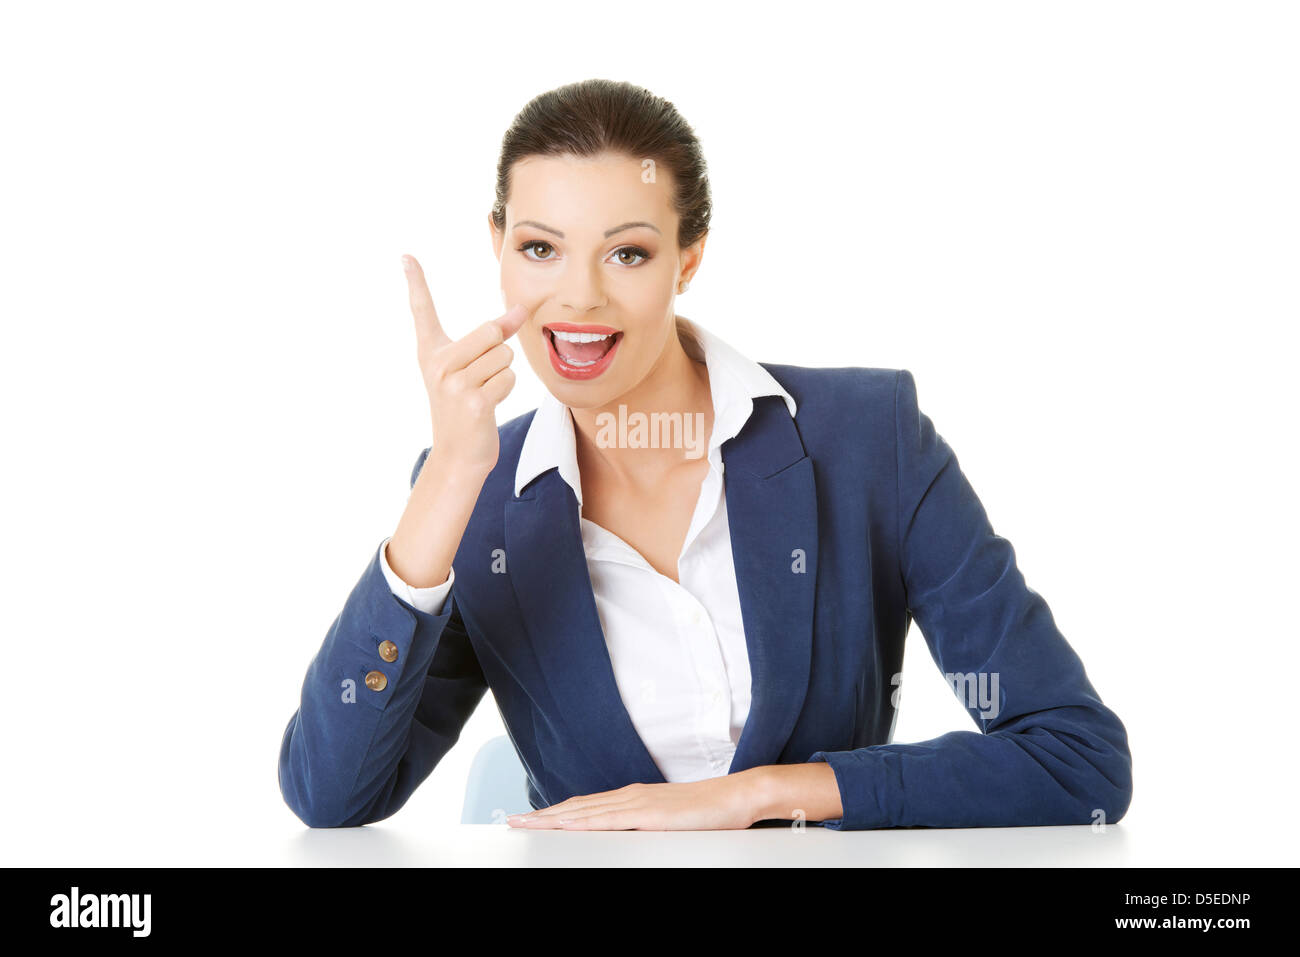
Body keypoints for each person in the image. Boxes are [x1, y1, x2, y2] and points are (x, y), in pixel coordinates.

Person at [277, 78, 1133, 831]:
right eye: (540, 248)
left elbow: (1075, 757)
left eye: (628, 252)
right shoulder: (475, 501)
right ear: (497, 246)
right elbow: (331, 795)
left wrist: (756, 795)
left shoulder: (869, 437)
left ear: (689, 255)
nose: (579, 294)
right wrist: (447, 484)